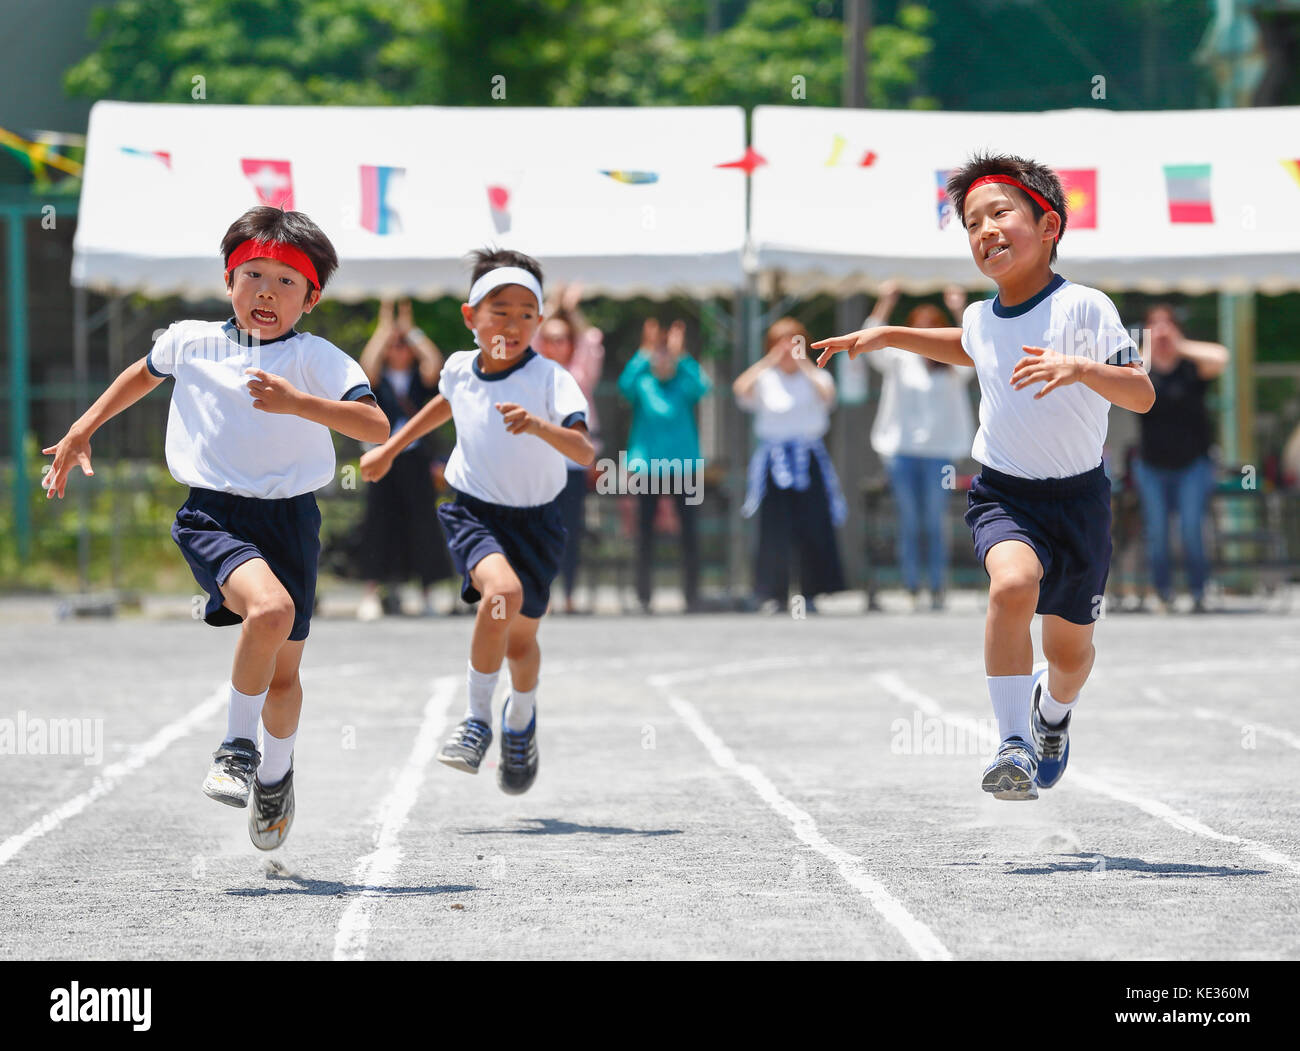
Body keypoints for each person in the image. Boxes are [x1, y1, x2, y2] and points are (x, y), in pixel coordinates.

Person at [42, 206, 388, 847]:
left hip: (291, 520)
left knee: (284, 673)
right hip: (213, 514)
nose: (267, 291)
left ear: (309, 299)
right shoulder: (190, 340)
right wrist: (81, 429)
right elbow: (138, 377)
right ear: (229, 281)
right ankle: (236, 748)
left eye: (287, 282)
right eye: (253, 274)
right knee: (269, 611)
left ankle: (277, 778)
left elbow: (374, 427)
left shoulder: (319, 360)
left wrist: (298, 404)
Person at [814, 153, 1154, 801]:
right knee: (1012, 586)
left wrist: (1080, 369)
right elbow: (969, 342)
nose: (984, 229)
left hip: (1080, 501)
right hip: (1004, 492)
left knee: (1069, 654)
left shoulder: (1086, 308)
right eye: (971, 222)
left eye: (1000, 213)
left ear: (1048, 224)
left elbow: (1139, 392)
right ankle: (1012, 744)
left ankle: (1051, 716)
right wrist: (884, 334)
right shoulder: (978, 315)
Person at [360, 249, 593, 794]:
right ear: (471, 317)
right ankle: (476, 721)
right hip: (473, 511)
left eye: (525, 314)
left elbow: (583, 451)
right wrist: (391, 449)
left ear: (539, 320)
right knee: (500, 594)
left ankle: (520, 720)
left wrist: (540, 427)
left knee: (520, 643)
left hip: (538, 522)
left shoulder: (551, 379)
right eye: (499, 311)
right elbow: (444, 403)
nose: (512, 324)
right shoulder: (459, 368)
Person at [862, 281, 976, 610]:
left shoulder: (954, 363)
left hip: (940, 455)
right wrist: (885, 301)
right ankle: (912, 587)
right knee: (909, 522)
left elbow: (975, 343)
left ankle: (938, 588)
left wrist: (959, 308)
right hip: (902, 454)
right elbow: (871, 339)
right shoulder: (899, 358)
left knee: (934, 521)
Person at [734, 316, 846, 613]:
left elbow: (828, 396)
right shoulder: (765, 377)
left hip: (807, 458)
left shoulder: (815, 374)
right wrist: (769, 360)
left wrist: (804, 363)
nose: (787, 348)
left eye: (793, 340)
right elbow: (740, 389)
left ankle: (811, 592)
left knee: (812, 525)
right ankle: (773, 593)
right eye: (780, 342)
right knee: (774, 528)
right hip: (774, 461)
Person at [355, 298, 453, 619]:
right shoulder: (378, 380)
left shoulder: (419, 380)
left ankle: (426, 594)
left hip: (415, 460)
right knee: (378, 523)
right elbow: (367, 362)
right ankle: (372, 593)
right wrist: (385, 327)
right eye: (394, 344)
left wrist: (411, 331)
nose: (398, 348)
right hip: (381, 458)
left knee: (423, 524)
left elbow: (434, 363)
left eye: (403, 344)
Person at [1132, 304, 1228, 613]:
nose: (1161, 331)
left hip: (1193, 465)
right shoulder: (1143, 368)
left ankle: (1199, 592)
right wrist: (1148, 345)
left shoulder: (1190, 366)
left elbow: (1221, 358)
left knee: (1191, 529)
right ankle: (1163, 593)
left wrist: (1179, 345)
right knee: (1157, 532)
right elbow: (1129, 376)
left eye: (1166, 324)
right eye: (1154, 324)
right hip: (1151, 466)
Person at [618, 318, 712, 613]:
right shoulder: (644, 383)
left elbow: (703, 386)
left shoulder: (683, 384)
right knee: (645, 535)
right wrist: (645, 351)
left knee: (690, 535)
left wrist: (681, 354)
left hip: (684, 468)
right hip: (648, 469)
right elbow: (625, 386)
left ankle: (692, 596)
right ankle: (644, 597)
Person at [532, 282, 605, 613]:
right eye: (549, 339)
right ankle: (543, 592)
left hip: (572, 462)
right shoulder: (533, 368)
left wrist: (572, 311)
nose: (553, 345)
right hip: (540, 460)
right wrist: (549, 305)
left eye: (560, 340)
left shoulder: (579, 372)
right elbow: (530, 336)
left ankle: (571, 594)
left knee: (570, 531)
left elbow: (591, 342)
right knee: (540, 530)